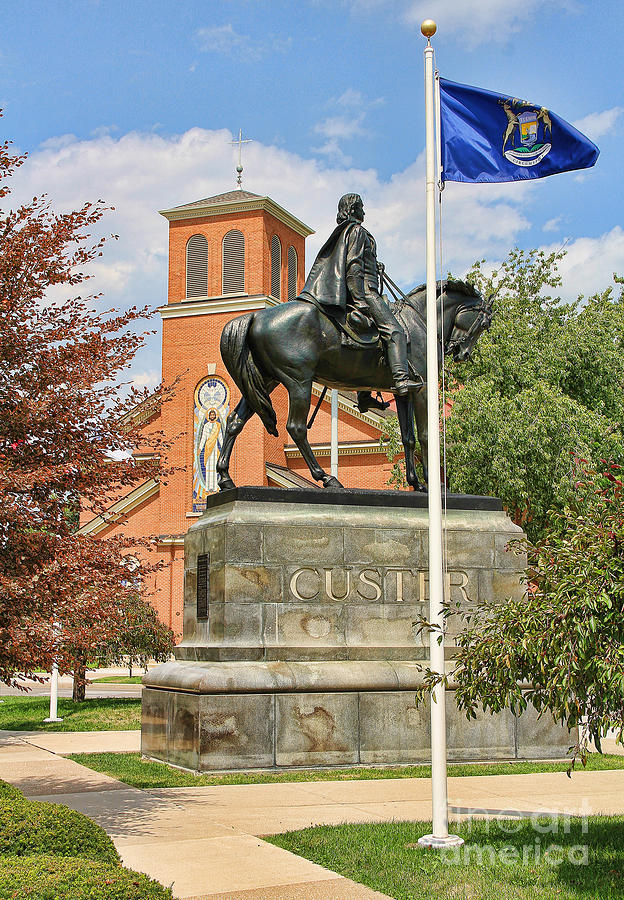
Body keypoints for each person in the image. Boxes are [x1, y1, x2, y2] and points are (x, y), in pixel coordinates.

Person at [298, 193, 420, 408]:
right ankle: (401, 380)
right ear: (353, 209)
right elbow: (353, 268)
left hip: (358, 291)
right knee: (395, 331)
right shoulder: (358, 232)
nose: (364, 211)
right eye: (361, 207)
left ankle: (364, 395)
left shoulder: (346, 232)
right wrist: (361, 300)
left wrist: (375, 265)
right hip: (366, 293)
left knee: (373, 342)